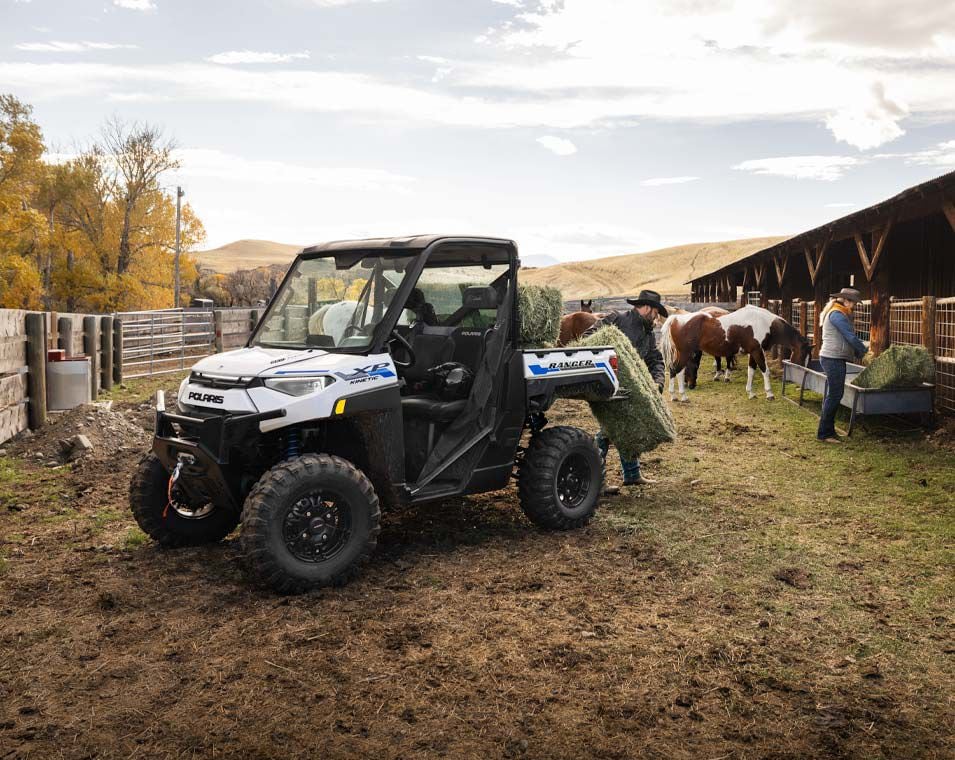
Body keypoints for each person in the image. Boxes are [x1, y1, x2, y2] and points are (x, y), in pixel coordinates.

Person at [583, 289, 667, 489]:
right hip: (608, 386)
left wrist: (657, 383)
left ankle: (631, 474)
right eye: (656, 311)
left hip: (631, 390)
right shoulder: (616, 320)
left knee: (625, 427)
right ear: (647, 308)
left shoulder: (648, 333)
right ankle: (591, 477)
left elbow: (655, 360)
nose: (656, 316)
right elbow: (588, 338)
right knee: (608, 429)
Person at [817, 287, 867, 444]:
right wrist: (864, 352)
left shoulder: (838, 312)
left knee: (834, 394)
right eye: (853, 303)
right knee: (835, 395)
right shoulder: (837, 315)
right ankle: (825, 434)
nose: (854, 307)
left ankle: (828, 431)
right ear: (845, 300)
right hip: (832, 358)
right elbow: (850, 337)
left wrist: (859, 353)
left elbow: (847, 339)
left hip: (834, 357)